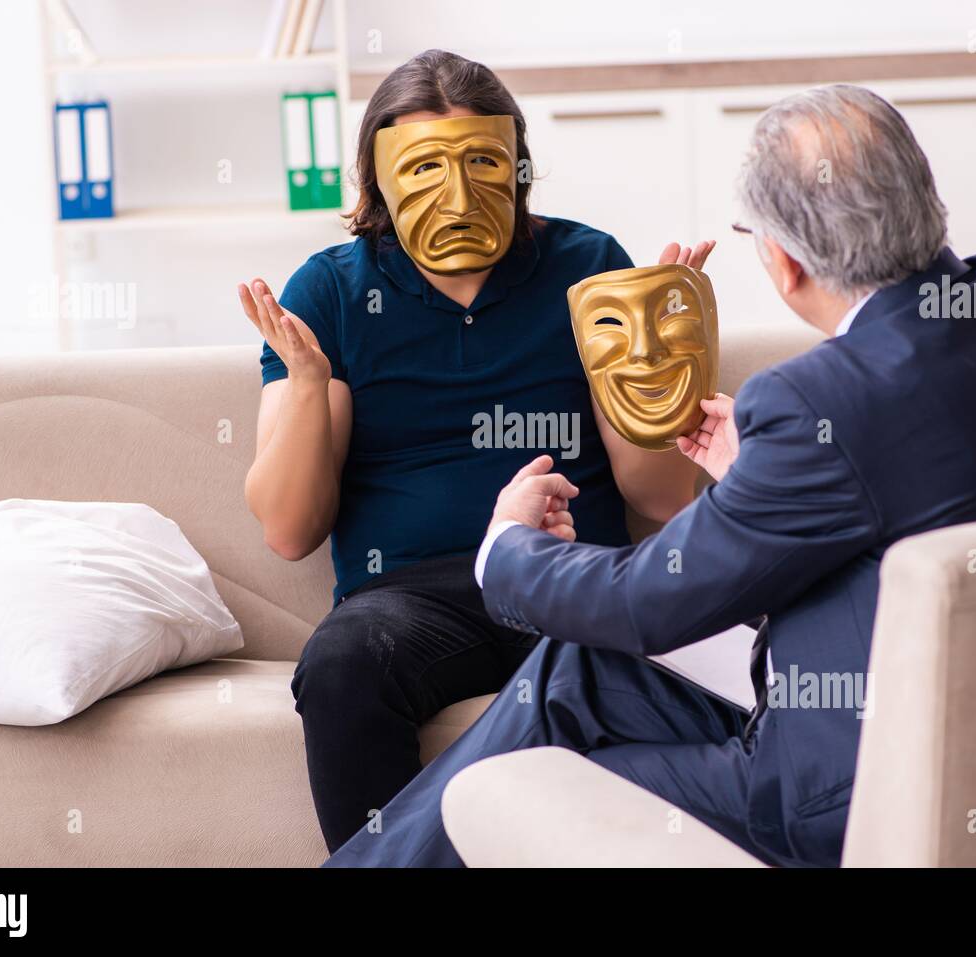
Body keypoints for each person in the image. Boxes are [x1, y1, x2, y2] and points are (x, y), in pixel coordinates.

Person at [324, 83, 976, 867]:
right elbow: (926, 477)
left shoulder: (825, 401)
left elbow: (644, 603)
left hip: (849, 791)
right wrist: (766, 467)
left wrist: (504, 547)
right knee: (578, 669)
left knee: (523, 781)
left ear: (782, 259)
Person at [239, 48, 710, 852]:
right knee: (343, 663)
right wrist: (310, 384)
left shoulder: (589, 266)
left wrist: (660, 363)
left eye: (483, 164)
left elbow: (663, 499)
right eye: (423, 170)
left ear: (518, 167)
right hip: (405, 600)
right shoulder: (331, 291)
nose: (457, 199)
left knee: (621, 669)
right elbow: (288, 529)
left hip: (566, 578)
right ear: (377, 180)